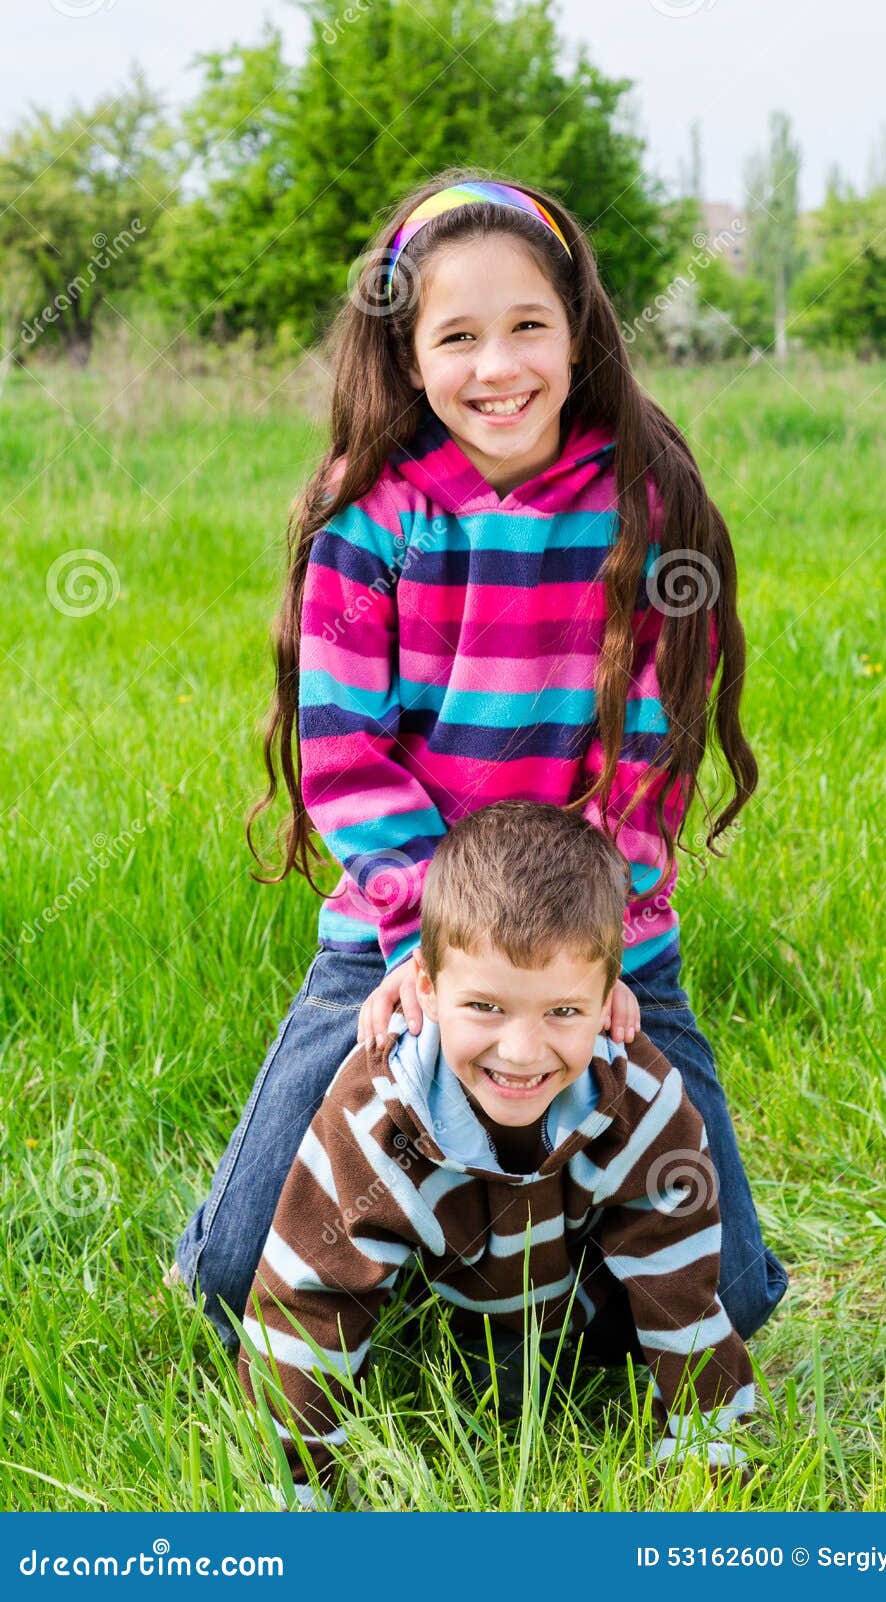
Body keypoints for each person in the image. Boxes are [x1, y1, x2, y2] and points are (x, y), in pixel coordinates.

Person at [172, 169, 788, 1346]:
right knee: (233, 1280)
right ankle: (407, 1235)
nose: (496, 367)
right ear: (408, 357)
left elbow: (642, 768)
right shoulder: (369, 526)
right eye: (457, 335)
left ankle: (541, 1261)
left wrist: (590, 962)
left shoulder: (641, 511)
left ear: (576, 333)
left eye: (526, 328)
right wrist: (427, 951)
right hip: (397, 947)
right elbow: (346, 757)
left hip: (602, 954)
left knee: (731, 1300)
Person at [236, 802, 755, 1509]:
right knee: (252, 1281)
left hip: (568, 1300)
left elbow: (679, 1278)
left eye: (563, 1012)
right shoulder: (375, 1112)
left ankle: (527, 1342)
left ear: (611, 1002)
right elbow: (308, 1294)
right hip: (440, 1277)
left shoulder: (643, 1102)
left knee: (735, 1289)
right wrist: (292, 1488)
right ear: (424, 988)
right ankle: (423, 1315)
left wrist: (704, 1451)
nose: (519, 1052)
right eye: (484, 1007)